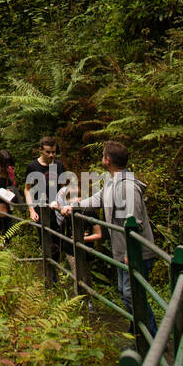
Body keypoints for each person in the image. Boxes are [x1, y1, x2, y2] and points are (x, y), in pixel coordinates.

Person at [60, 139, 157, 337]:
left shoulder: (128, 186)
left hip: (136, 253)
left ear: (107, 160)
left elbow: (134, 221)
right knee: (125, 292)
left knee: (132, 294)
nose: (102, 159)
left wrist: (131, 251)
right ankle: (138, 332)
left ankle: (152, 337)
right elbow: (98, 199)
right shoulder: (112, 182)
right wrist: (75, 206)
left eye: (103, 156)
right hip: (123, 252)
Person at [24, 136, 68, 270]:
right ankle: (50, 274)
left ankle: (56, 270)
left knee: (59, 241)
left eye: (54, 152)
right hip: (41, 209)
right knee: (45, 241)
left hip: (58, 209)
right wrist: (31, 210)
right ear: (40, 150)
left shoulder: (59, 166)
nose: (51, 155)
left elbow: (64, 188)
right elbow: (27, 189)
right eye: (48, 152)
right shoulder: (32, 167)